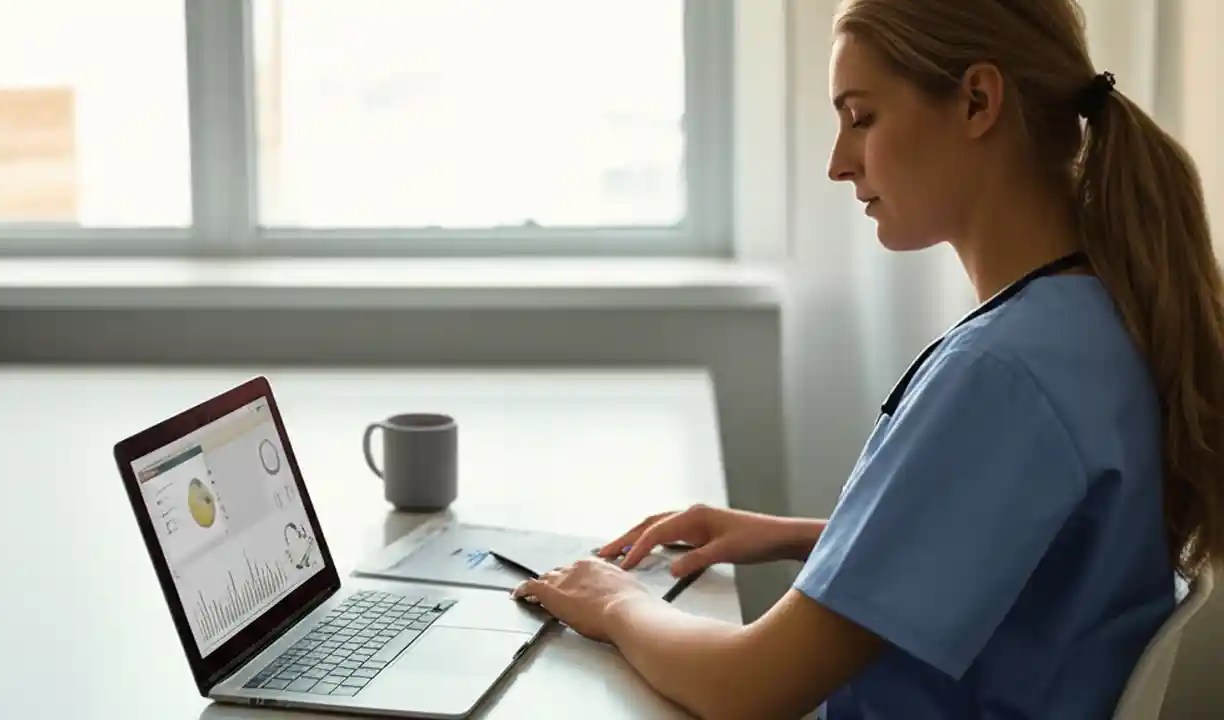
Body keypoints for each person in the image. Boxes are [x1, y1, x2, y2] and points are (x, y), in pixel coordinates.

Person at [510, 0, 1224, 717]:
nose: (837, 163)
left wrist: (615, 603)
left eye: (862, 117)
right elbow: (1018, 553)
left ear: (978, 100)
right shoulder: (1097, 321)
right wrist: (793, 537)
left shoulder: (1003, 374)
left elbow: (748, 688)